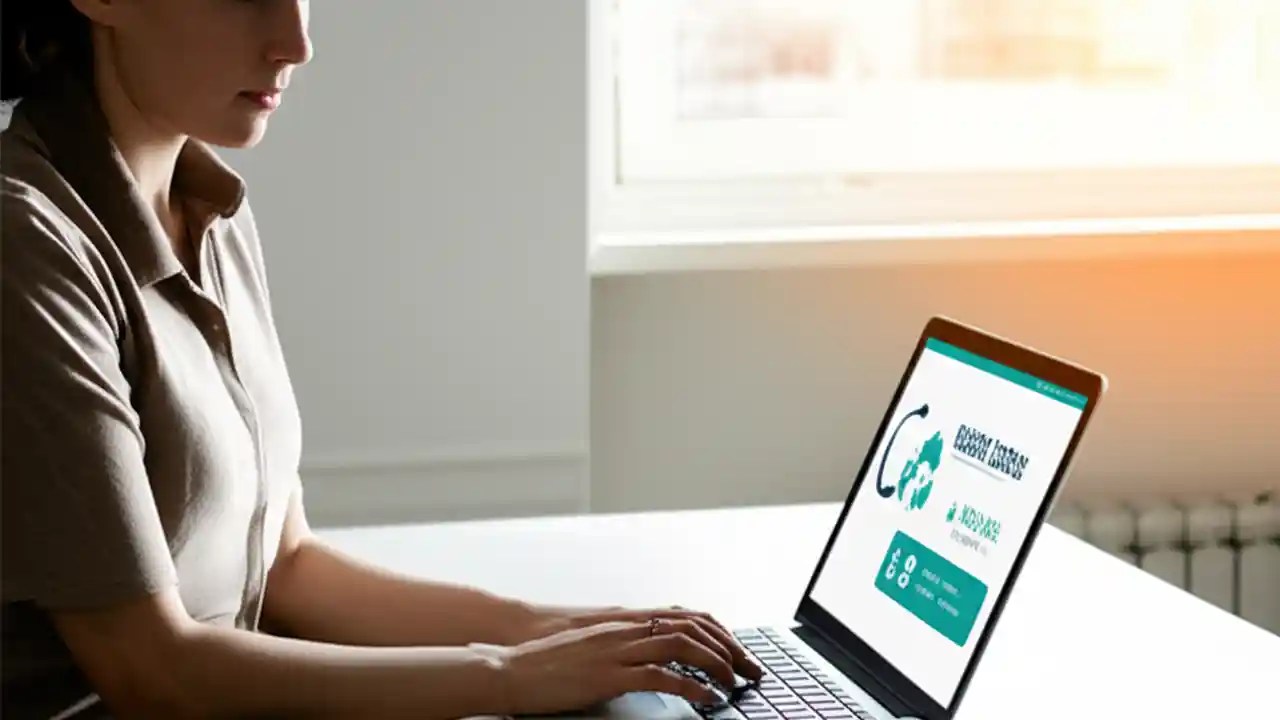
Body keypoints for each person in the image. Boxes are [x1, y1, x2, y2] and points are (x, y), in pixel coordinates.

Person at [0, 1, 763, 717]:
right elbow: (150, 669)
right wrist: (512, 676)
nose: (296, 42)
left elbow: (286, 564)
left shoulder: (207, 208)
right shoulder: (25, 242)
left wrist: (550, 631)